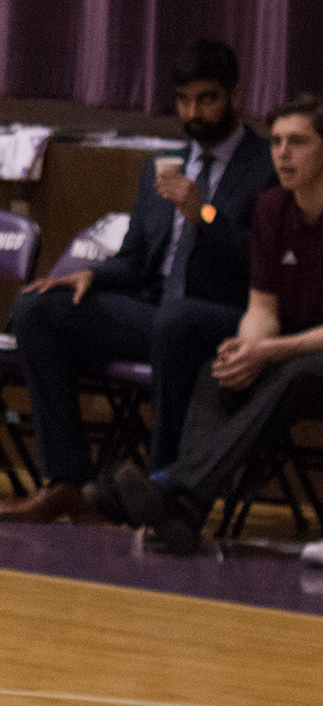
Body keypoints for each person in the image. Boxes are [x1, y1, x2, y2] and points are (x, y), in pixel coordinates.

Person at [0, 39, 277, 522]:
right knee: (37, 309)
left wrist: (203, 214)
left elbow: (267, 262)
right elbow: (134, 260)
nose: (194, 113)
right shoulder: (161, 166)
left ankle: (164, 491)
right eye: (184, 101)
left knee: (177, 319)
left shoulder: (268, 166)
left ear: (236, 95)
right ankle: (67, 479)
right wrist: (93, 273)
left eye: (207, 99)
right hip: (159, 313)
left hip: (229, 319)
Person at [112, 93, 323, 553]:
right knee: (220, 369)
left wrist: (266, 352)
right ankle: (184, 517)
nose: (283, 153)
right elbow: (263, 309)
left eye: (299, 142)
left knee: (291, 375)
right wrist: (247, 349)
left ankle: (172, 489)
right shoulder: (272, 207)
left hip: (311, 357)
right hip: (288, 345)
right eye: (277, 142)